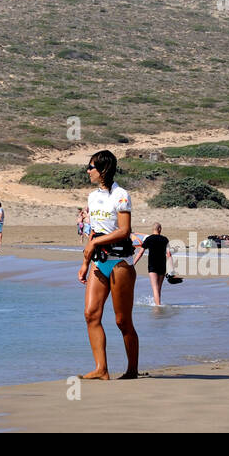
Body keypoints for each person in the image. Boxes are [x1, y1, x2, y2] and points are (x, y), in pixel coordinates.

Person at [78, 150, 139, 380]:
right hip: (97, 262)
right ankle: (101, 369)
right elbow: (94, 229)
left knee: (122, 321)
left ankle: (132, 369)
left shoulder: (121, 195)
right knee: (91, 314)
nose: (88, 171)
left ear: (103, 170)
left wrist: (95, 241)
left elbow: (124, 231)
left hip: (120, 262)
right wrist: (85, 261)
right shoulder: (92, 197)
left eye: (91, 167)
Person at [139, 223, 172, 307]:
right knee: (158, 288)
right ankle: (158, 303)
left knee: (155, 288)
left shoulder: (148, 239)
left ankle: (158, 307)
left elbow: (141, 252)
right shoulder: (165, 239)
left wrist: (133, 263)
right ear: (160, 229)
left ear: (152, 229)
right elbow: (169, 254)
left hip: (152, 265)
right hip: (162, 265)